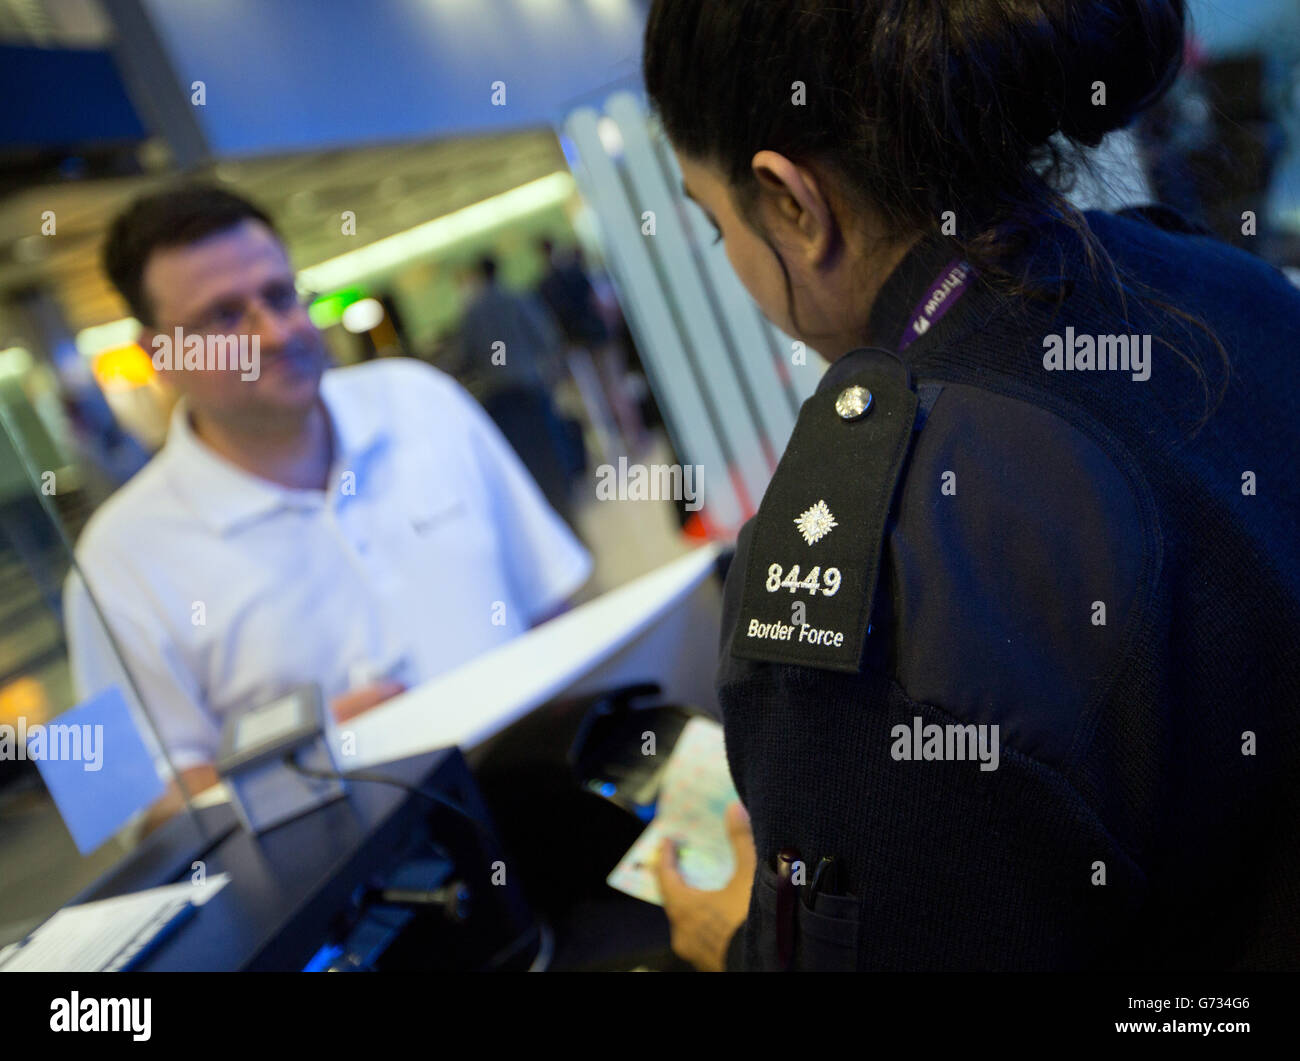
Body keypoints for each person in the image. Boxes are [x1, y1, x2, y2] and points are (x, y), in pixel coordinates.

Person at [644, 0, 1300, 970]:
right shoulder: (1232, 289)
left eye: (714, 226)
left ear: (791, 202)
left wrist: (743, 942)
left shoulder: (882, 559)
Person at [63, 187, 592, 822]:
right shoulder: (111, 560)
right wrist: (304, 754)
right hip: (367, 889)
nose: (278, 332)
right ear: (160, 357)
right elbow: (118, 807)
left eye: (282, 296)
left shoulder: (421, 401)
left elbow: (552, 605)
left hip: (556, 803)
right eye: (226, 317)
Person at [455, 254, 582, 527]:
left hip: (500, 397)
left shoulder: (472, 313)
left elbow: (466, 357)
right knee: (550, 449)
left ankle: (537, 509)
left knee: (521, 459)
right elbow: (545, 336)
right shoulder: (516, 300)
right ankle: (563, 500)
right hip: (530, 387)